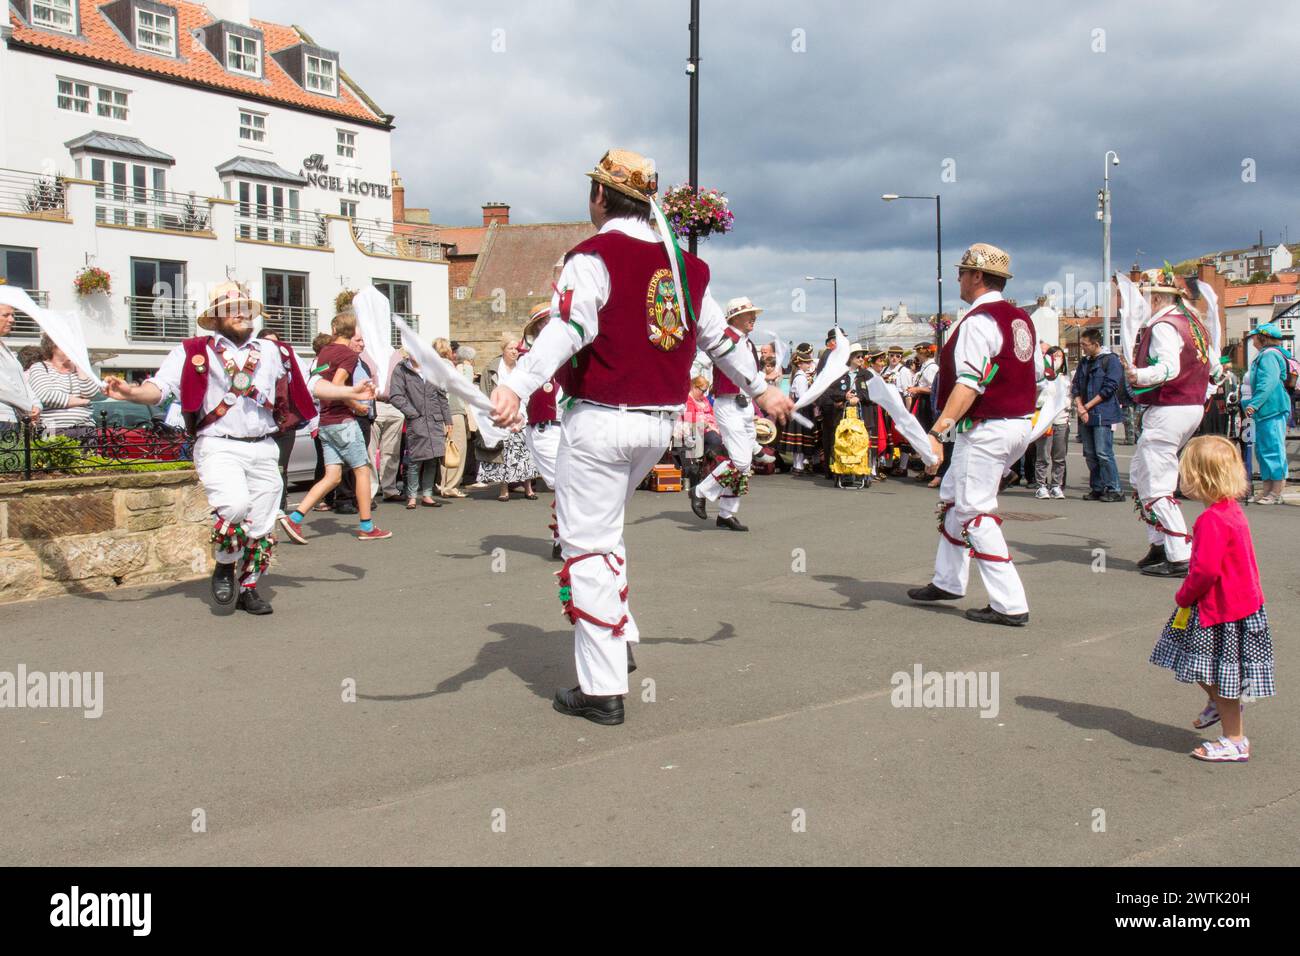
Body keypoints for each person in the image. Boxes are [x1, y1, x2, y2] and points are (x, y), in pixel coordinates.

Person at [488, 148, 793, 726]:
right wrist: (763, 391)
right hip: (658, 425)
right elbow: (720, 340)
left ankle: (601, 689)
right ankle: (618, 637)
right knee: (605, 534)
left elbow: (570, 327)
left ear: (601, 197)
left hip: (601, 420)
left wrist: (518, 385)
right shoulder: (684, 267)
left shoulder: (592, 255)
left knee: (587, 547)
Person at [103, 282, 375, 614]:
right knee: (233, 506)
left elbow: (310, 385)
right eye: (230, 308)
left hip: (263, 446)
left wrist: (349, 393)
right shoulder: (193, 351)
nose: (240, 313)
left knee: (262, 524)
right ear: (216, 316)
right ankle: (224, 563)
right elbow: (160, 388)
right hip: (219, 445)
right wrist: (131, 394)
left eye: (245, 307)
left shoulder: (276, 351)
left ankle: (248, 587)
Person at [908, 243, 1044, 627]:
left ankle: (1009, 603)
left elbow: (969, 384)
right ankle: (947, 581)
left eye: (963, 272)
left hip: (987, 428)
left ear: (977, 277)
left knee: (974, 510)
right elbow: (1028, 375)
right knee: (953, 496)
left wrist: (936, 430)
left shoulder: (978, 321)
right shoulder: (1020, 318)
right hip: (1016, 423)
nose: (958, 278)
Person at [1149, 436, 1273, 763]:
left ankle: (1235, 739)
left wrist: (1184, 596)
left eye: (1185, 472)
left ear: (1200, 478)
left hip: (1220, 610)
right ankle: (1221, 707)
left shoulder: (1211, 520)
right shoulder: (1229, 511)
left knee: (1217, 675)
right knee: (1203, 666)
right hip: (1240, 606)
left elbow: (1204, 572)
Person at [1124, 269, 1215, 577]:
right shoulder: (1193, 324)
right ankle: (1159, 543)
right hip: (1188, 406)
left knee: (1156, 482)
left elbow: (1168, 367)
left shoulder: (1164, 326)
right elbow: (1214, 367)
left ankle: (1179, 552)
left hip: (1169, 408)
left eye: (1146, 297)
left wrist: (1139, 375)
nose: (1143, 303)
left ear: (1159, 297)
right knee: (1140, 475)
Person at [277, 310, 392, 544]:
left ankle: (295, 518)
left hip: (325, 421)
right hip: (342, 421)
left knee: (332, 476)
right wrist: (356, 405)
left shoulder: (323, 353)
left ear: (334, 330)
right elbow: (336, 386)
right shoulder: (347, 355)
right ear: (351, 333)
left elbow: (321, 384)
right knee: (362, 470)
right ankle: (366, 526)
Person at [694, 296, 764, 531]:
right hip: (727, 404)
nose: (753, 318)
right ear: (735, 317)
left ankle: (726, 514)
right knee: (741, 461)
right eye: (749, 314)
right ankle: (701, 490)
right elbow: (699, 361)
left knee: (743, 465)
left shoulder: (748, 343)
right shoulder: (725, 339)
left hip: (744, 405)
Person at [519, 303, 565, 556]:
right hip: (545, 429)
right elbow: (519, 393)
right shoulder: (531, 359)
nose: (548, 326)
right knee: (565, 485)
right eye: (543, 323)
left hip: (569, 429)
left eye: (552, 321)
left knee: (572, 486)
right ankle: (564, 540)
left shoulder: (569, 356)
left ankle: (563, 540)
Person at [256, 329, 316, 517]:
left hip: (284, 424)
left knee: (281, 467)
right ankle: (261, 507)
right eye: (266, 343)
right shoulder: (254, 366)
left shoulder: (288, 360)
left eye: (275, 343)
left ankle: (279, 506)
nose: (271, 347)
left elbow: (304, 382)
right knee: (261, 469)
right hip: (261, 426)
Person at [478, 333, 539, 501]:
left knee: (525, 453)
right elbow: (485, 393)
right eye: (511, 348)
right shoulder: (493, 368)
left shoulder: (522, 367)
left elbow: (528, 390)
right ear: (503, 350)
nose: (514, 352)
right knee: (504, 453)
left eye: (516, 349)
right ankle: (504, 489)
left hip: (522, 414)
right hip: (502, 415)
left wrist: (522, 409)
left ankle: (528, 487)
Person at [387, 348, 450, 509]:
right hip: (417, 420)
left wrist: (448, 420)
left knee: (432, 458)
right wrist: (412, 413)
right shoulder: (401, 369)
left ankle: (427, 495)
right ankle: (412, 496)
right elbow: (396, 395)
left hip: (435, 420)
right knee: (415, 459)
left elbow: (442, 396)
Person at [1242, 321, 1293, 504]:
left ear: (1262, 338)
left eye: (1255, 336)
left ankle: (1275, 491)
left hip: (1272, 408)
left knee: (1272, 449)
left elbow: (1268, 383)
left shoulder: (1269, 355)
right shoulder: (1266, 355)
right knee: (1264, 450)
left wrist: (1253, 404)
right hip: (1267, 410)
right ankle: (1267, 490)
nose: (1253, 339)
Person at [1072, 328, 1124, 502]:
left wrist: (1086, 407)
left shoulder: (1111, 361)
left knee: (1103, 452)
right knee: (1089, 453)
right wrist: (1080, 406)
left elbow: (1109, 388)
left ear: (1095, 344)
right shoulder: (1084, 362)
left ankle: (1114, 488)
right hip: (1085, 412)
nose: (1082, 348)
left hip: (1103, 413)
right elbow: (1075, 386)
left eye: (1085, 345)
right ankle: (1097, 487)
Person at [23, 333, 101, 439]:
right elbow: (47, 396)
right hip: (52, 428)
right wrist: (83, 401)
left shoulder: (80, 369)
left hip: (85, 427)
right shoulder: (40, 367)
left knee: (88, 455)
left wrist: (80, 366)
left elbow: (91, 392)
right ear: (53, 346)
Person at [818, 343, 873, 482]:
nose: (861, 359)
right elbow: (830, 391)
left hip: (861, 417)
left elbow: (873, 394)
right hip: (842, 417)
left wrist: (859, 397)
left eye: (863, 356)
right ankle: (841, 471)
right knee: (842, 444)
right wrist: (844, 396)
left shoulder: (866, 374)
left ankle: (860, 472)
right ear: (850, 358)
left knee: (860, 444)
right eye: (858, 356)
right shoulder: (840, 374)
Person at [434, 339, 470, 498]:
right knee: (457, 449)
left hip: (439, 412)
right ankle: (451, 486)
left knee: (445, 449)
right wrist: (467, 369)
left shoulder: (433, 367)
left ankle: (441, 484)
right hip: (453, 410)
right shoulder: (449, 366)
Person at [1033, 346, 1070, 499]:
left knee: (1059, 456)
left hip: (1061, 420)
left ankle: (1056, 485)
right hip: (1045, 422)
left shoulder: (1066, 379)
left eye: (1060, 356)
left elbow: (1070, 397)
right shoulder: (1042, 379)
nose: (1057, 359)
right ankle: (1041, 485)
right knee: (1043, 456)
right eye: (1054, 356)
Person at [778, 344, 819, 474]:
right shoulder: (801, 377)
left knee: (799, 440)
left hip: (798, 409)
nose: (808, 365)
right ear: (800, 364)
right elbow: (802, 396)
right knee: (800, 440)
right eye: (806, 363)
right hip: (802, 409)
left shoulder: (798, 376)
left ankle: (799, 465)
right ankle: (799, 466)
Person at [0, 304, 41, 433]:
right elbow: (3, 387)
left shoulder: (5, 348)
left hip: (13, 418)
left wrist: (36, 405)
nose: (12, 320)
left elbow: (23, 382)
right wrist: (28, 407)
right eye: (5, 315)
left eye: (13, 315)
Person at [907, 341, 940, 483]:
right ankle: (927, 468)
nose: (917, 356)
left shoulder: (932, 368)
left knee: (927, 434)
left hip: (927, 404)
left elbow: (934, 389)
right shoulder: (925, 367)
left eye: (918, 353)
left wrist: (918, 390)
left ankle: (931, 469)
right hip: (921, 402)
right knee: (923, 434)